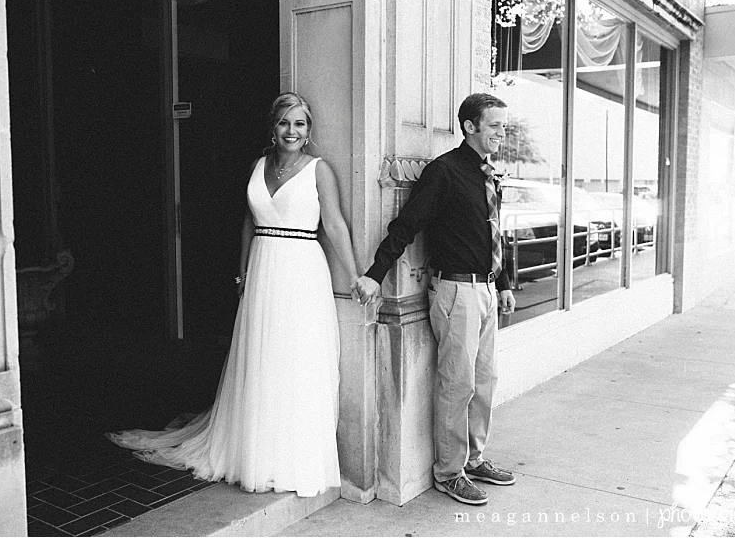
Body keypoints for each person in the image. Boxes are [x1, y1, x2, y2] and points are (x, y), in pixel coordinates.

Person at [107, 92, 361, 498]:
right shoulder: (258, 166)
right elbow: (248, 220)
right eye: (284, 123)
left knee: (296, 361)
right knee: (259, 360)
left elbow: (334, 224)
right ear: (272, 128)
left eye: (299, 124)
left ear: (309, 131)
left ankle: (291, 460)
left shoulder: (319, 170)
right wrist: (242, 272)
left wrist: (356, 277)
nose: (291, 131)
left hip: (300, 270)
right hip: (263, 268)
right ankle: (253, 453)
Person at [353, 93, 517, 506]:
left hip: (485, 288)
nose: (502, 132)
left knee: (485, 381)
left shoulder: (488, 174)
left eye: (503, 124)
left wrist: (505, 284)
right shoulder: (443, 172)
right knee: (456, 384)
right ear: (469, 126)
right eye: (495, 125)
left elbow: (497, 231)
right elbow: (404, 226)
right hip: (455, 291)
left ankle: (475, 458)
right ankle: (449, 472)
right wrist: (375, 275)